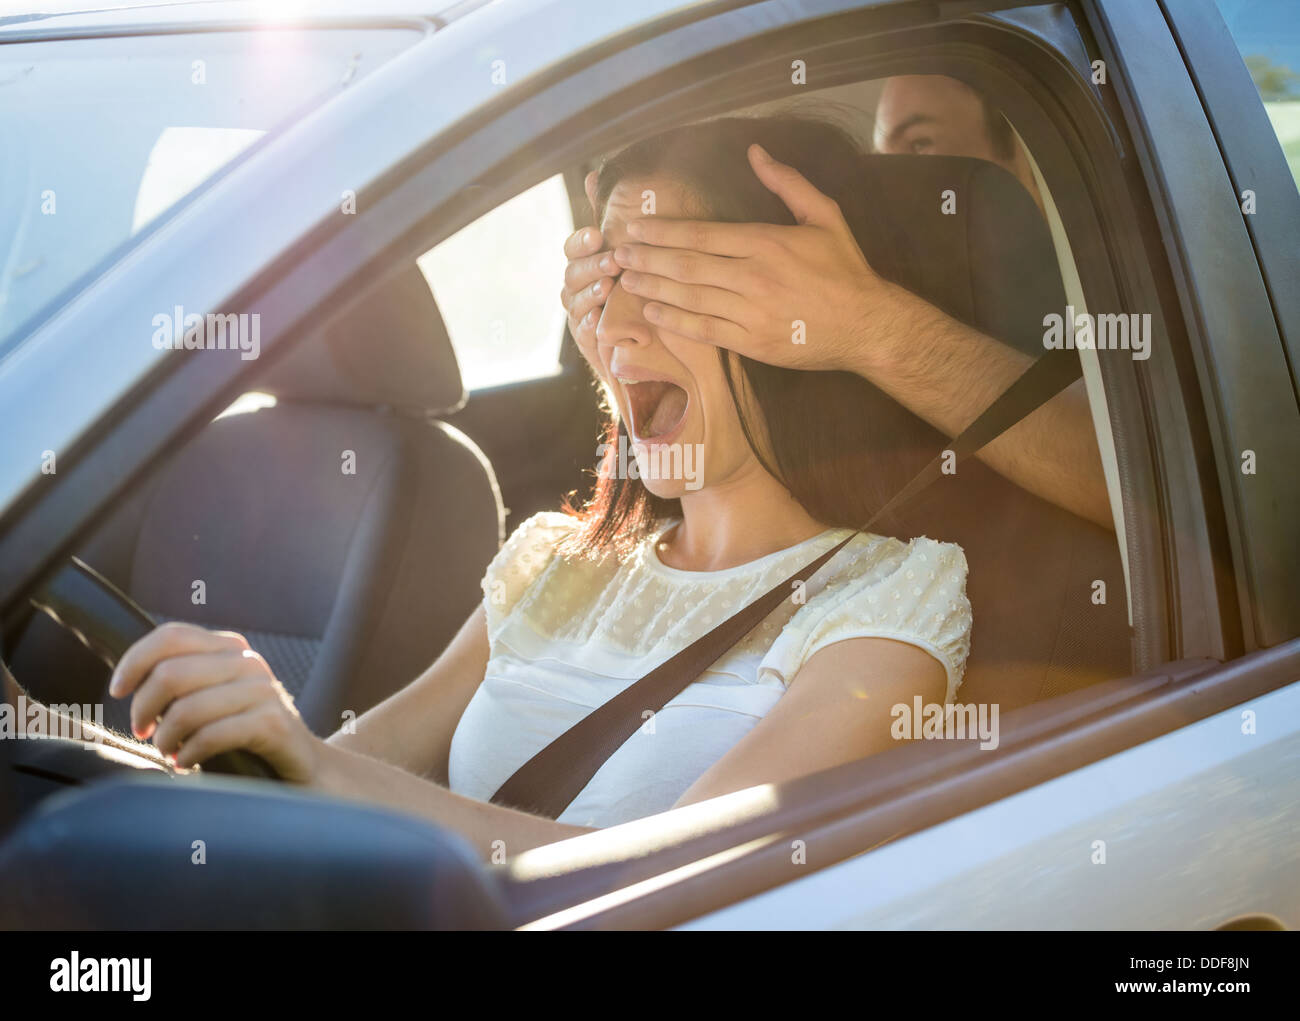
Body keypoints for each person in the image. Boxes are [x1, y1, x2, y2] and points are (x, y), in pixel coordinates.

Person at [100, 115, 972, 856]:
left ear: (789, 319)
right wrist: (91, 750)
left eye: (669, 281)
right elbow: (350, 759)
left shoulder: (890, 602)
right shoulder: (553, 562)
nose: (616, 327)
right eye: (610, 280)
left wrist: (319, 765)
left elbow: (672, 881)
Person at [561, 78, 1111, 529]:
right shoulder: (550, 562)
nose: (896, 180)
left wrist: (869, 325)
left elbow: (1150, 486)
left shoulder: (1135, 315)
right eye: (618, 275)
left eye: (919, 148)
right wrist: (623, 372)